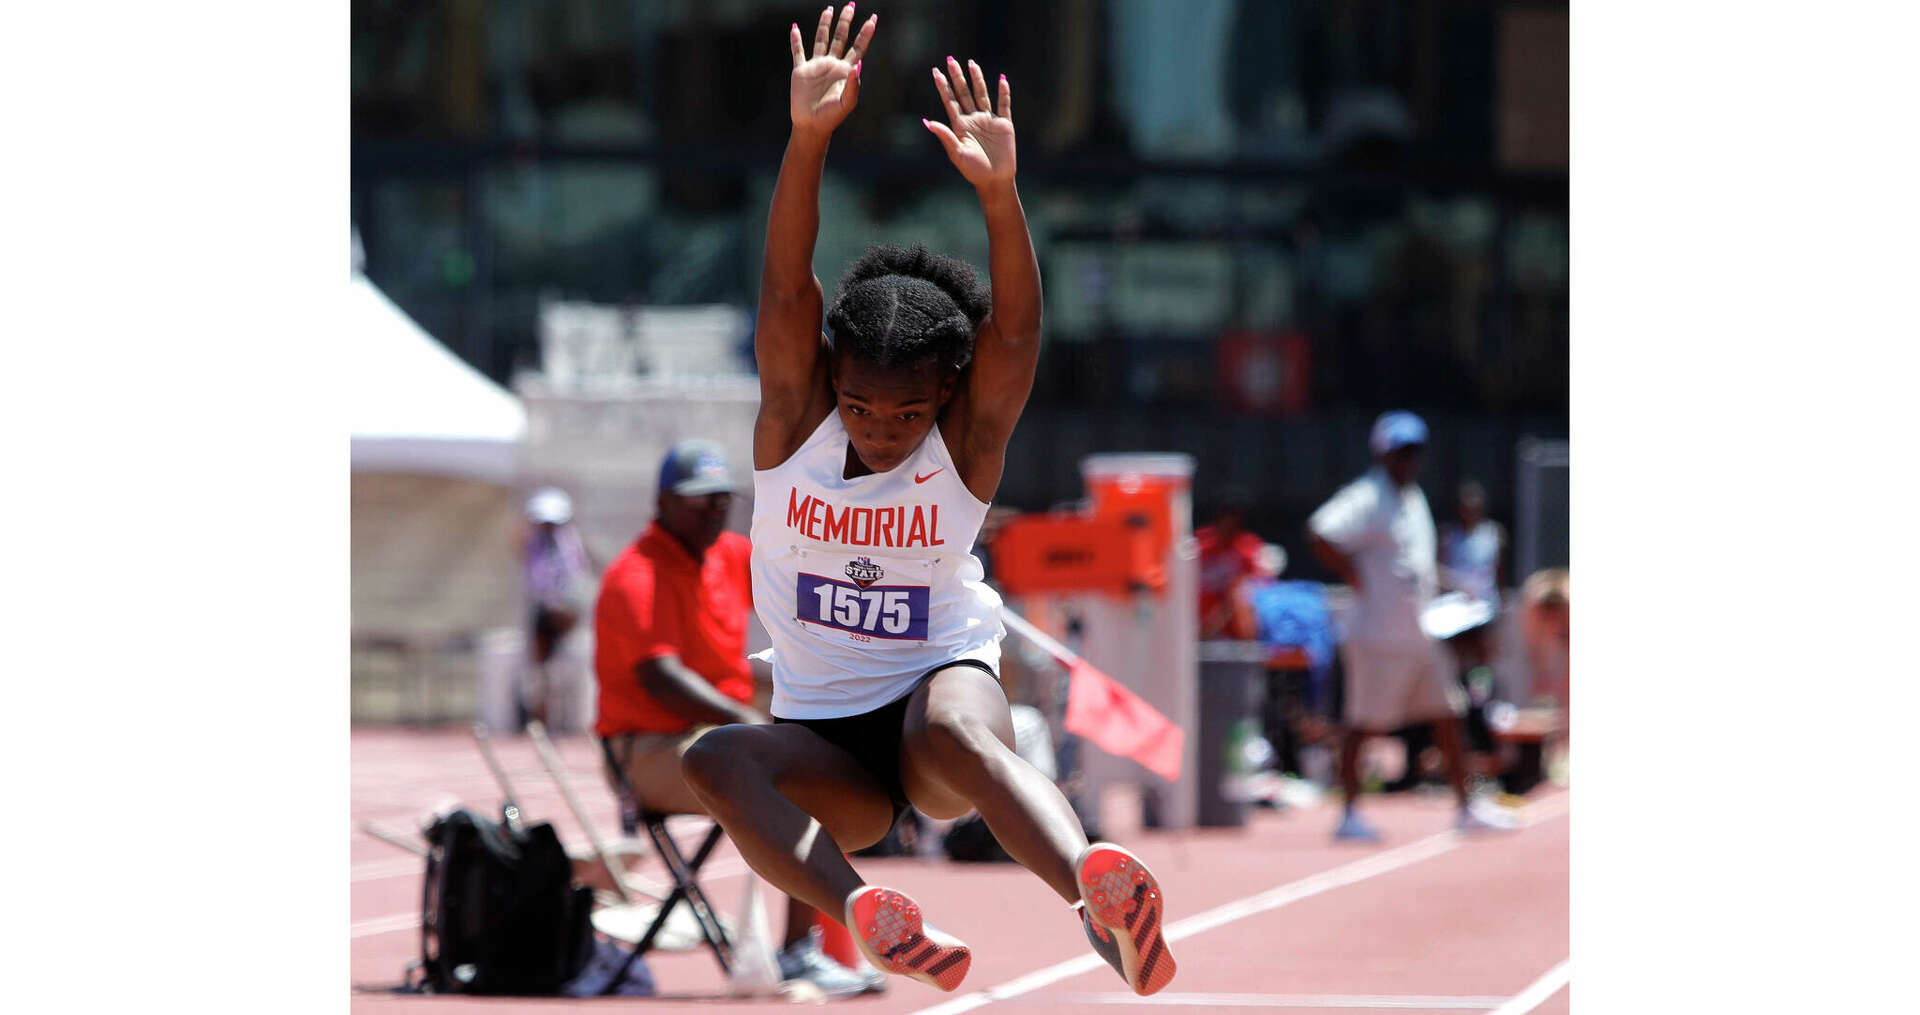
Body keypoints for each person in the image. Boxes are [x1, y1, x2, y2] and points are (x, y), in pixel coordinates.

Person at [679, 7, 1176, 998]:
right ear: (832, 380)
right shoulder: (796, 425)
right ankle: (867, 914)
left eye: (906, 412)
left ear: (946, 392)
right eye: (861, 405)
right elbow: (785, 291)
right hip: (829, 740)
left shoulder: (964, 444)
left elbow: (1017, 335)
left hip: (935, 693)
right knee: (717, 759)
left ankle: (1094, 893)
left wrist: (1000, 194)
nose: (880, 429)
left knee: (956, 728)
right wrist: (807, 139)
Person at [594, 439, 880, 998]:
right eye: (698, 500)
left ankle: (815, 946)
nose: (712, 511)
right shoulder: (637, 573)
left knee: (823, 757)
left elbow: (798, 601)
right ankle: (799, 953)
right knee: (796, 779)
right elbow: (661, 678)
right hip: (646, 750)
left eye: (721, 500)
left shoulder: (728, 555)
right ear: (663, 502)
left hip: (715, 733)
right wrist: (749, 718)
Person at [1306, 411, 1516, 840]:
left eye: (1414, 451)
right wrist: (1355, 575)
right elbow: (1320, 533)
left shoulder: (1413, 498)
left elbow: (1413, 564)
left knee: (1448, 713)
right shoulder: (1367, 496)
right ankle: (1348, 814)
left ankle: (1466, 807)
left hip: (1420, 634)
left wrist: (1453, 588)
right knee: (1362, 722)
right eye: (1401, 452)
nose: (1409, 460)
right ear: (1383, 454)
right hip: (1378, 637)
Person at [523, 487, 595, 729]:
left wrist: (566, 608)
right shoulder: (535, 543)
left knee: (568, 665)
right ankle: (543, 717)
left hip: (567, 611)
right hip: (546, 611)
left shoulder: (569, 541)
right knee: (542, 670)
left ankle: (570, 720)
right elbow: (537, 578)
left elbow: (575, 575)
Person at [1196, 489, 1265, 639]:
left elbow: (1248, 593)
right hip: (1198, 626)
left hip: (1233, 632)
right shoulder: (1200, 544)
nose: (1228, 525)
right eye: (1225, 518)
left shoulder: (1249, 548)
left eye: (1233, 520)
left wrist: (1213, 625)